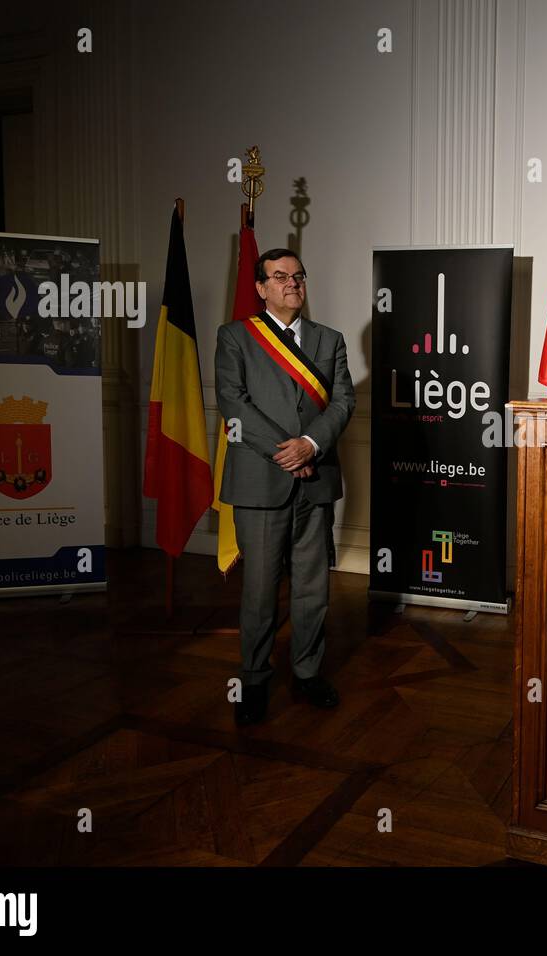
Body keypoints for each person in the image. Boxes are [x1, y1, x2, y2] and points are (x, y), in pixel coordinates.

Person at [214, 248, 355, 725]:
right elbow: (233, 403)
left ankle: (308, 672)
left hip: (315, 479)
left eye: (298, 275)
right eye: (280, 276)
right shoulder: (235, 337)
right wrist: (286, 450)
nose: (292, 283)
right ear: (260, 288)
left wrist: (310, 444)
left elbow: (343, 401)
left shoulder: (329, 339)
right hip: (261, 479)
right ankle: (254, 678)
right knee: (259, 590)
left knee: (313, 588)